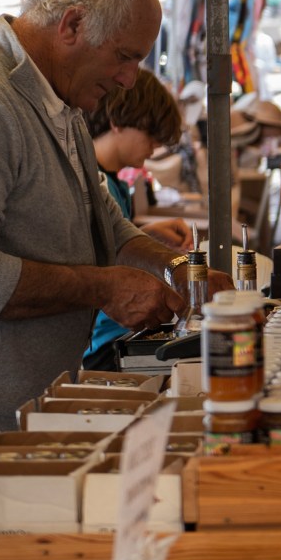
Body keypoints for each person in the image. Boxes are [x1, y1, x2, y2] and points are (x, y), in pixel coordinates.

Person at [0, 0, 233, 439]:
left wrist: (175, 267)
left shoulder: (57, 97)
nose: (129, 79)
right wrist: (102, 287)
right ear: (71, 25)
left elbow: (105, 223)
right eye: (124, 55)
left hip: (36, 401)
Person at [83, 68, 197, 369]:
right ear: (117, 121)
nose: (155, 147)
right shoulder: (94, 183)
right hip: (107, 343)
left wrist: (146, 232)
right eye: (150, 135)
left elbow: (106, 241)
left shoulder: (115, 183)